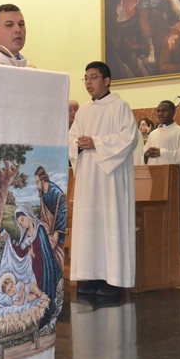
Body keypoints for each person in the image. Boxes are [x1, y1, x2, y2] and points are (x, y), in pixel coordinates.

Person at [68, 61, 138, 297]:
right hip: (88, 177)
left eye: (94, 77)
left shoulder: (120, 107)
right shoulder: (84, 111)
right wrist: (77, 145)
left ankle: (113, 280)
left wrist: (96, 142)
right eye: (86, 78)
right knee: (89, 225)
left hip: (111, 179)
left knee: (109, 223)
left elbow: (128, 139)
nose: (88, 82)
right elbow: (71, 138)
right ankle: (90, 276)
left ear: (107, 81)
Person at [144, 100, 180, 259]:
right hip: (157, 182)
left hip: (176, 183)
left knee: (178, 217)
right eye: (158, 111)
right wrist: (146, 154)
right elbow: (144, 156)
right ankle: (159, 254)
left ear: (173, 112)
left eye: (164, 111)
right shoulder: (153, 134)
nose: (160, 114)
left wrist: (162, 152)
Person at [11, 205, 61, 328]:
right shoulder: (24, 235)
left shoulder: (40, 230)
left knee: (42, 293)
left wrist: (34, 253)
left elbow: (45, 251)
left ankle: (45, 317)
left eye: (22, 219)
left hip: (43, 268)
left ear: (28, 215)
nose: (21, 224)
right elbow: (22, 252)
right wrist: (11, 244)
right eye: (19, 223)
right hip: (30, 271)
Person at [34, 166, 67, 274]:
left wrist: (55, 236)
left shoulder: (58, 194)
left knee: (58, 260)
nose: (36, 186)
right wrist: (47, 234)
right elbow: (43, 218)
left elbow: (62, 215)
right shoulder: (43, 195)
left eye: (37, 182)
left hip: (58, 235)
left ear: (43, 180)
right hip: (49, 234)